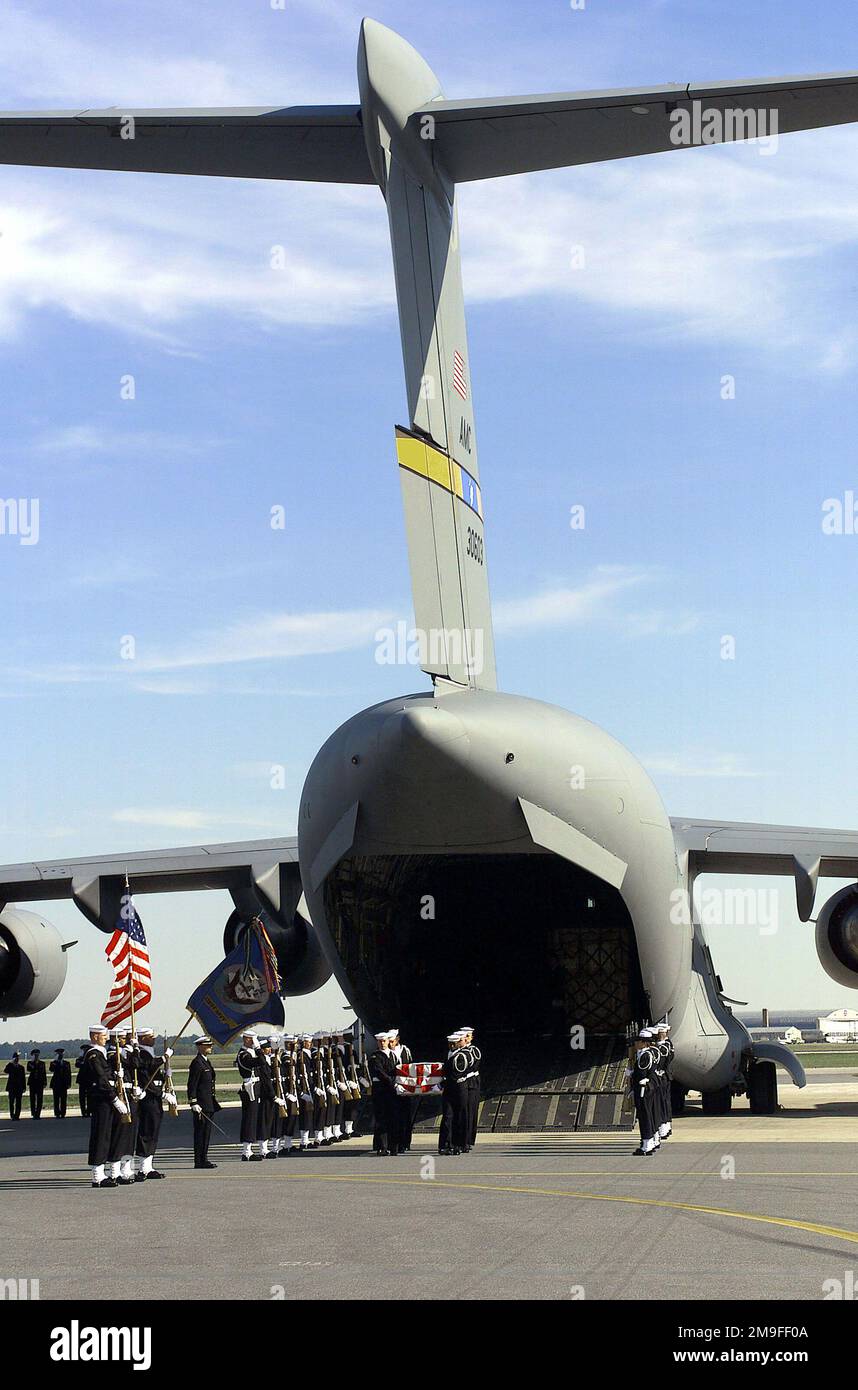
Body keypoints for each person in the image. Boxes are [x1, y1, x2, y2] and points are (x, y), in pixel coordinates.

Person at [85, 1023, 128, 1188]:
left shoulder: (101, 1054)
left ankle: (102, 1173)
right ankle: (97, 1175)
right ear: (95, 1036)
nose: (106, 1039)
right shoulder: (93, 1055)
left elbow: (106, 1076)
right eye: (103, 1036)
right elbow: (101, 1080)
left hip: (106, 1099)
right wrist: (115, 1099)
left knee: (107, 1135)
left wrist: (117, 1073)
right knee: (100, 1135)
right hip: (101, 1100)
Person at [134, 1026, 172, 1180]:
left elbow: (153, 1071)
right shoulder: (141, 1053)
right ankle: (143, 1167)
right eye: (150, 1037)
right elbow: (147, 1069)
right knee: (147, 1131)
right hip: (148, 1097)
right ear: (143, 1038)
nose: (154, 1039)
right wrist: (163, 1058)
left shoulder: (149, 1053)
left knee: (153, 1131)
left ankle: (149, 1166)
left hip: (154, 1096)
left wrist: (165, 1075)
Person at [187, 1035, 220, 1169]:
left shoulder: (205, 1061)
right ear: (200, 1047)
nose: (210, 1048)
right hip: (201, 1104)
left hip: (209, 1103)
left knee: (206, 1133)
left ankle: (203, 1158)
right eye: (207, 1046)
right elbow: (192, 1085)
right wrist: (193, 1102)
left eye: (210, 1045)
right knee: (200, 1133)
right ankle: (199, 1160)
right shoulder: (197, 1063)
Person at [629, 1029, 660, 1156]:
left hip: (643, 1089)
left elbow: (641, 1073)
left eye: (638, 1041)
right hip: (647, 1087)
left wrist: (631, 1073)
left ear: (643, 1042)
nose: (636, 1044)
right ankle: (649, 1142)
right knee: (647, 1115)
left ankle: (646, 1145)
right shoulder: (648, 1053)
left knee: (644, 1116)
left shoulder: (645, 1055)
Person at [236, 1029, 264, 1161]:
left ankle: (249, 1148)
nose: (254, 1042)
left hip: (254, 1086)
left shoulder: (249, 1053)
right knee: (249, 1118)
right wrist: (258, 1048)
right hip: (249, 1088)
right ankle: (246, 1151)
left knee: (253, 1118)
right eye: (252, 1040)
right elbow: (261, 1061)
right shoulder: (243, 1054)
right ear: (247, 1039)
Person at [439, 1032, 469, 1155]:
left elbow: (457, 1074)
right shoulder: (448, 1055)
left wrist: (443, 1082)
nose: (451, 1046)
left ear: (458, 1044)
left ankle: (458, 1144)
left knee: (459, 1116)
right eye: (450, 1044)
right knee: (447, 1117)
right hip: (449, 1089)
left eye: (454, 1044)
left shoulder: (462, 1056)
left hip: (459, 1088)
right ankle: (445, 1144)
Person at [369, 1030, 397, 1155]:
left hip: (391, 1090)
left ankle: (392, 1145)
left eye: (384, 1041)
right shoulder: (375, 1056)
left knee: (392, 1118)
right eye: (380, 1041)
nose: (382, 1043)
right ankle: (382, 1146)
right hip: (381, 1089)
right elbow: (379, 1072)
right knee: (381, 1119)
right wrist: (391, 1081)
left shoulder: (392, 1055)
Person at [390, 1028, 414, 1154]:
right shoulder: (387, 1053)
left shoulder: (405, 1050)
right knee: (395, 1117)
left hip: (405, 1088)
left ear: (397, 1039)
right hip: (393, 1088)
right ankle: (396, 1143)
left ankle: (406, 1142)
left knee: (406, 1116)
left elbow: (410, 1066)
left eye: (392, 1040)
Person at [460, 1027, 481, 1149]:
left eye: (468, 1036)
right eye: (464, 1037)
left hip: (471, 1082)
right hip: (462, 1083)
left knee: (470, 1110)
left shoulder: (474, 1051)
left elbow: (473, 1066)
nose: (466, 1039)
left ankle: (468, 1139)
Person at [297, 1032, 316, 1151]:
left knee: (308, 1114)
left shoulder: (308, 1054)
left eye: (309, 1042)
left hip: (309, 1084)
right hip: (304, 1087)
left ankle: (306, 1139)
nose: (308, 1044)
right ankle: (303, 1140)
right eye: (306, 1043)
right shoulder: (301, 1055)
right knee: (304, 1114)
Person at [49, 1047, 72, 1118]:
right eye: (59, 1054)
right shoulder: (54, 1063)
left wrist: (69, 1083)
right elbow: (51, 1069)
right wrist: (56, 1062)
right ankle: (57, 1113)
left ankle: (63, 1113)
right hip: (56, 1083)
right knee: (56, 1099)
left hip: (64, 1084)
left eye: (61, 1053)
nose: (60, 1055)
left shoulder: (66, 1063)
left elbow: (69, 1074)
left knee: (63, 1099)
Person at [4, 1051, 25, 1121]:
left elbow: (23, 1078)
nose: (17, 1059)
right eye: (16, 1058)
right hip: (11, 1087)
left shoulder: (21, 1067)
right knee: (11, 1102)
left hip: (19, 1087)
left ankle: (17, 1115)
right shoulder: (10, 1066)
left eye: (18, 1058)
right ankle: (12, 1115)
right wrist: (10, 1063)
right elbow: (5, 1071)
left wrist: (24, 1087)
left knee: (18, 1102)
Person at [27, 1048, 46, 1118]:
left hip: (40, 1083)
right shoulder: (29, 1063)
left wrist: (45, 1082)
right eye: (35, 1055)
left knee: (39, 1099)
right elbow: (29, 1069)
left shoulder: (42, 1063)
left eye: (37, 1055)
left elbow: (44, 1073)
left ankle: (38, 1113)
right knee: (32, 1099)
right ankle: (33, 1112)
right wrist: (33, 1062)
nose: (36, 1056)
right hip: (32, 1083)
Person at [75, 1044, 91, 1117]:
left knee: (89, 1097)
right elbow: (77, 1064)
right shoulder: (80, 1058)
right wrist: (83, 1061)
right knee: (82, 1097)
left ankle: (88, 1111)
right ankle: (83, 1112)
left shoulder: (90, 1057)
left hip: (89, 1079)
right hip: (82, 1080)